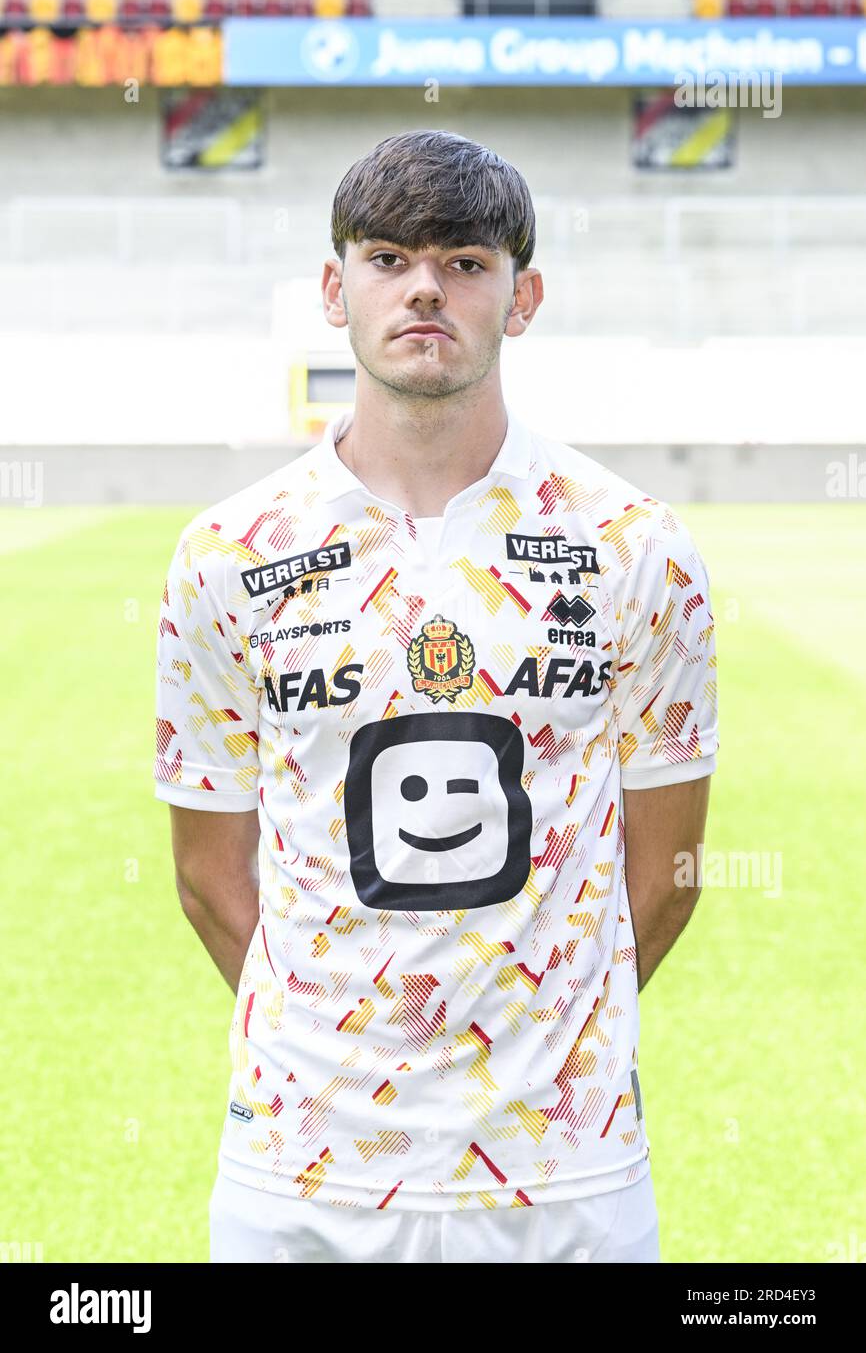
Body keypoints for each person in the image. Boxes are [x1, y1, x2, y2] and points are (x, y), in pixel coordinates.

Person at [153, 129, 718, 1264]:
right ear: (333, 288)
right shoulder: (224, 552)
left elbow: (661, 877)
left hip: (566, 1170)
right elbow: (211, 878)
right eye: (386, 257)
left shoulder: (630, 544)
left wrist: (539, 1042)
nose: (424, 286)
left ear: (523, 296)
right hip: (302, 1169)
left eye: (464, 262)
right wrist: (339, 1048)